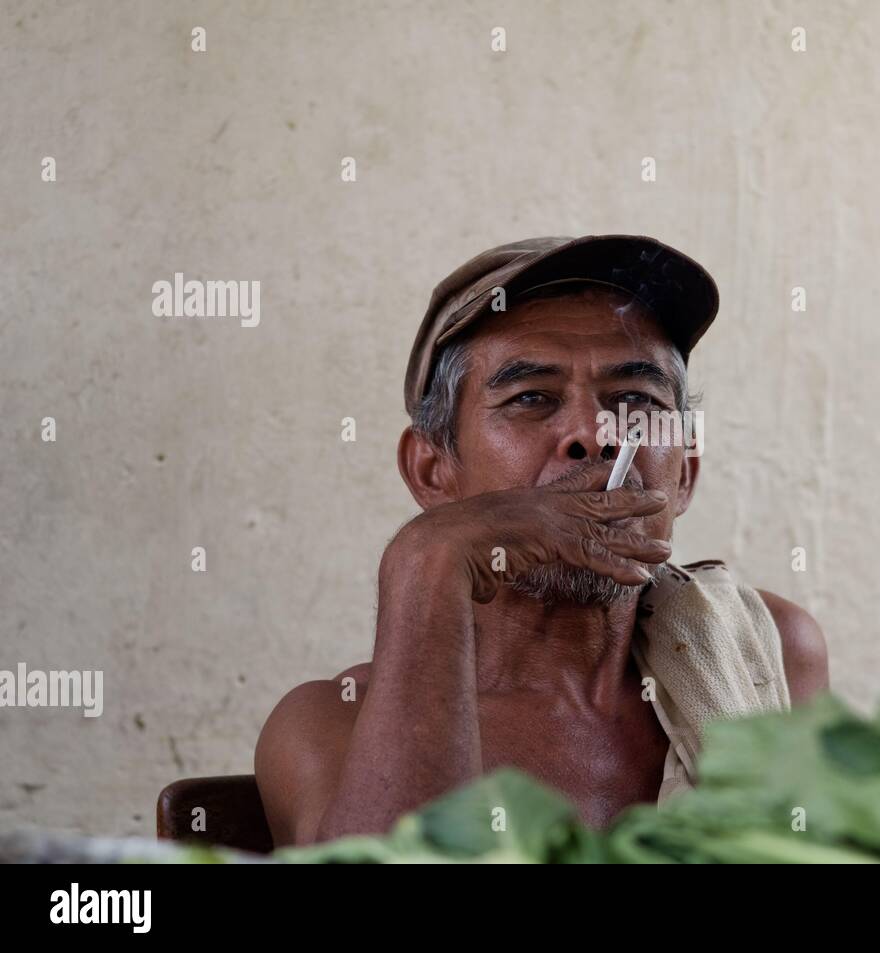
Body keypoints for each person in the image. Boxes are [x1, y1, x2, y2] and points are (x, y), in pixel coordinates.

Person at [254, 235, 830, 845]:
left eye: (636, 399)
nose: (594, 432)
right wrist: (424, 560)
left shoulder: (769, 657)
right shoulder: (331, 725)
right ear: (431, 471)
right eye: (531, 398)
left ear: (684, 472)